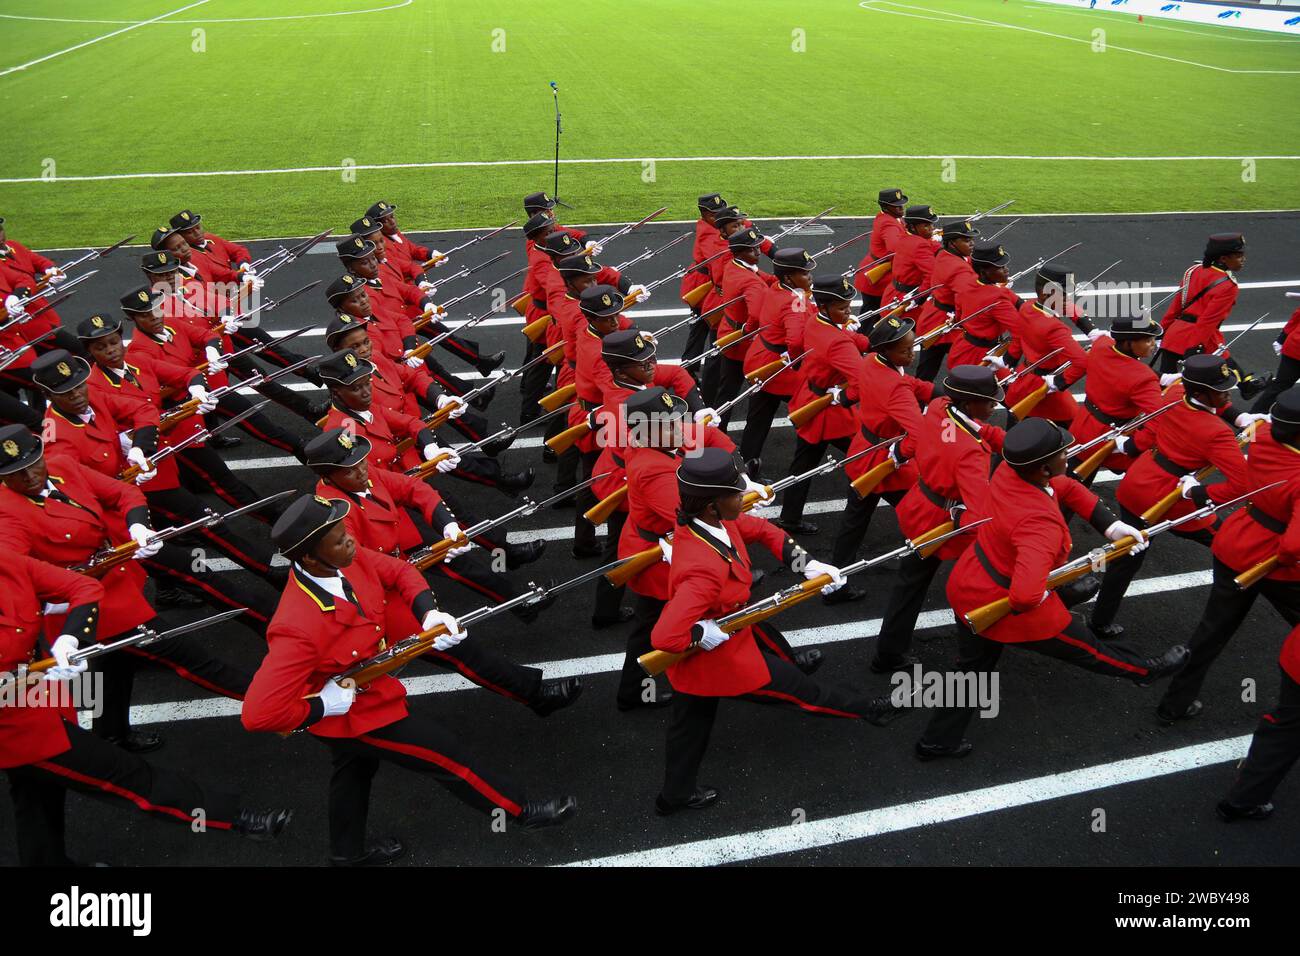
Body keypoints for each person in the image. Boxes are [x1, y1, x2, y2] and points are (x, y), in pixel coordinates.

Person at [241, 494, 577, 865]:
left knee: (354, 769)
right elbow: (258, 713)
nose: (350, 540)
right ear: (308, 557)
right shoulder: (296, 624)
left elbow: (399, 571)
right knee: (446, 754)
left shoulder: (341, 561)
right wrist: (323, 705)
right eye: (338, 539)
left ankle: (346, 854)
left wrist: (429, 614)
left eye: (344, 531)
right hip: (352, 714)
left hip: (361, 690)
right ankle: (522, 810)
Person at [917, 418, 1189, 760]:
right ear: (1044, 467)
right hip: (1008, 606)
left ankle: (938, 741)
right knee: (1088, 649)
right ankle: (1145, 671)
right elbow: (1025, 596)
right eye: (1062, 452)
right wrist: (1054, 592)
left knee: (972, 669)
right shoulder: (1039, 524)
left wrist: (1112, 526)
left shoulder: (1008, 471)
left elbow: (1067, 487)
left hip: (970, 584)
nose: (1068, 454)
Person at [651, 448, 901, 815]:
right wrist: (699, 633)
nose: (743, 497)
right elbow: (664, 637)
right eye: (735, 493)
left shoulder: (713, 522)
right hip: (722, 658)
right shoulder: (703, 567)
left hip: (730, 632)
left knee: (690, 726)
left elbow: (767, 531)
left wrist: (808, 565)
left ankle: (674, 795)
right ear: (711, 506)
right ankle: (870, 709)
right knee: (803, 692)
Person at [0, 551, 290, 865]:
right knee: (130, 777)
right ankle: (235, 818)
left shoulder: (6, 559)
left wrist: (69, 639)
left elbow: (80, 586)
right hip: (17, 731)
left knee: (37, 795)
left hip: (40, 697)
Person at [1158, 386, 1300, 723]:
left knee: (1211, 632)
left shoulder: (1264, 437)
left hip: (1235, 542)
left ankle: (1174, 704)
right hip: (1274, 563)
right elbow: (1293, 547)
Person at [1089, 355, 1256, 640]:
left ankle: (1100, 619)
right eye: (1221, 389)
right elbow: (1243, 484)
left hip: (1140, 481)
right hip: (1172, 496)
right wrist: (1199, 492)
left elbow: (1212, 401)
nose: (1228, 393)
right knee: (1230, 543)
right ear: (1201, 392)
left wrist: (1238, 415)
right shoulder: (1217, 434)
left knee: (1127, 558)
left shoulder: (1177, 393)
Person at [874, 366, 1005, 673]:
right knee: (986, 573)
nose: (994, 406)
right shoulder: (970, 453)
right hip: (943, 522)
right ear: (970, 404)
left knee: (910, 584)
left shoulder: (939, 407)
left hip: (921, 505)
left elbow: (972, 428)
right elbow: (978, 515)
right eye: (989, 401)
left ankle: (889, 652)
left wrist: (1010, 443)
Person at [777, 275, 867, 535]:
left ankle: (790, 517)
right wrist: (845, 397)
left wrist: (861, 338)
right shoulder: (837, 341)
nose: (848, 311)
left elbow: (844, 338)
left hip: (812, 400)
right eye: (842, 308)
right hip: (831, 412)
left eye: (849, 306)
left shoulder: (815, 318)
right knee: (866, 455)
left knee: (803, 465)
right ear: (826, 307)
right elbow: (860, 381)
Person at [1157, 232, 1265, 398]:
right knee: (1220, 365)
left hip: (1174, 335)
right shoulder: (1228, 286)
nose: (1243, 259)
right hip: (1199, 337)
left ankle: (1246, 384)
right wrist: (1194, 349)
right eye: (1238, 256)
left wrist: (1162, 331)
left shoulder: (1193, 270)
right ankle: (1246, 386)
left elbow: (1177, 305)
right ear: (1223, 259)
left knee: (1163, 386)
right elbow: (1208, 321)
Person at [852, 188, 908, 315]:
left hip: (875, 270)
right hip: (879, 279)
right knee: (872, 319)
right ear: (886, 207)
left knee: (872, 316)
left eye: (901, 204)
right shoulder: (889, 224)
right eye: (896, 206)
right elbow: (895, 250)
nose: (901, 208)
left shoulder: (890, 218)